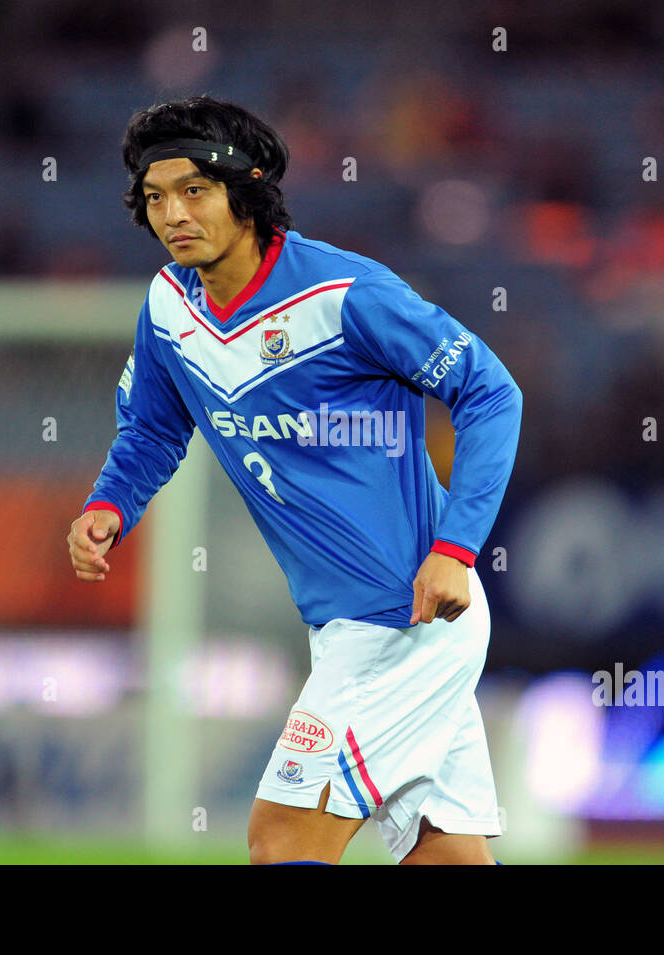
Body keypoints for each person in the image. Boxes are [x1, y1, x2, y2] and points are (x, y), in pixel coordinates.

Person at [66, 96, 522, 864]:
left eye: (194, 190)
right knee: (445, 853)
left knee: (282, 838)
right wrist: (110, 502)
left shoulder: (345, 294)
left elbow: (490, 392)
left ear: (245, 193)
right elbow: (152, 425)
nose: (172, 213)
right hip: (347, 621)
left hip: (401, 616)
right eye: (154, 198)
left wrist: (457, 546)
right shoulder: (169, 305)